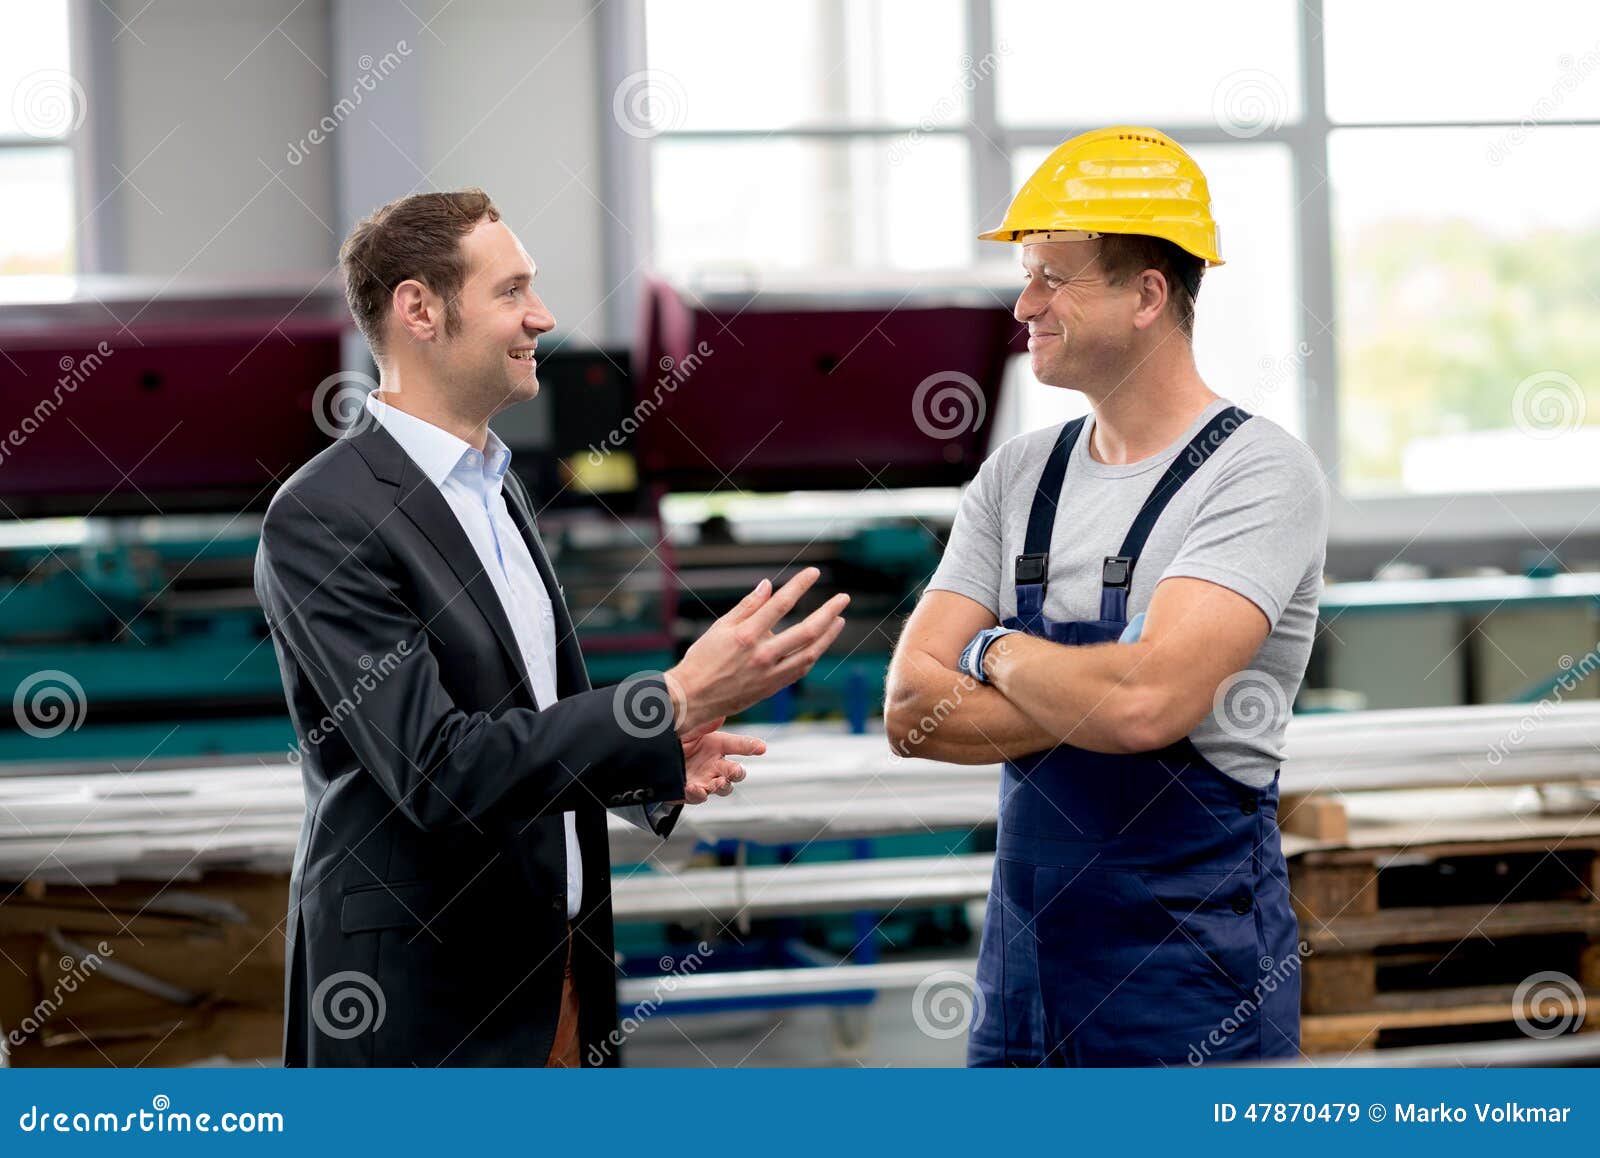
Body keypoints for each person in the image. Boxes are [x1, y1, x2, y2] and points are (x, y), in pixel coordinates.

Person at [255, 188, 849, 1066]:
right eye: (512, 291)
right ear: (418, 308)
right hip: (424, 999)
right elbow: (440, 770)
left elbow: (526, 726)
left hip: (560, 969)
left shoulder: (496, 490)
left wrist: (654, 755)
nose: (543, 316)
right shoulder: (323, 515)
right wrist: (672, 696)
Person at [885, 127, 1328, 1066]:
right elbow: (912, 710)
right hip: (1022, 985)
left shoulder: (1258, 476)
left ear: (1147, 295)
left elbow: (1147, 705)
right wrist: (1108, 689)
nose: (1023, 304)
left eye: (1053, 277)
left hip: (1188, 986)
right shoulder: (1017, 476)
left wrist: (994, 649)